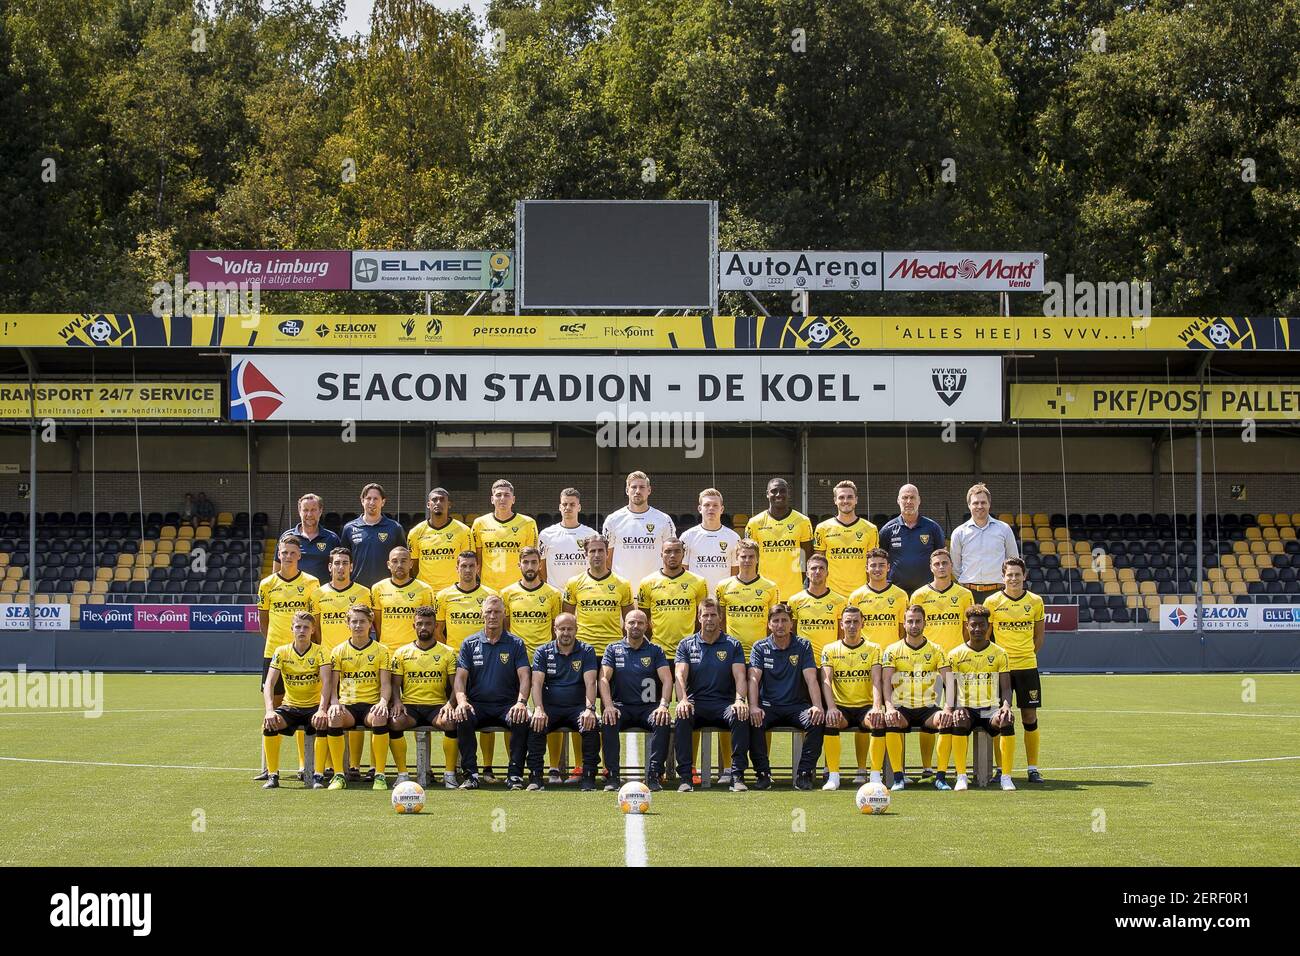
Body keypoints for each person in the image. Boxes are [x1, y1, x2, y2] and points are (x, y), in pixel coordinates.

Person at [562, 533, 632, 782]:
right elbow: (567, 620)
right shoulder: (574, 583)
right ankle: (581, 765)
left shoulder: (622, 584)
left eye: (601, 551)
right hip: (582, 654)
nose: (597, 555)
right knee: (580, 708)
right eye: (592, 551)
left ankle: (608, 766)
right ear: (585, 554)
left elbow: (630, 622)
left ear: (607, 552)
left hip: (612, 653)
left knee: (610, 709)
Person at [253, 535, 320, 782]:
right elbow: (263, 621)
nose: (288, 556)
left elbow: (315, 621)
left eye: (293, 552)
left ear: (300, 555)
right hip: (274, 653)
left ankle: (304, 765)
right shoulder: (267, 584)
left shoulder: (312, 583)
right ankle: (270, 768)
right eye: (284, 552)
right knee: (272, 709)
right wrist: (277, 642)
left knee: (302, 705)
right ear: (278, 555)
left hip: (304, 654)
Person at [500, 546, 567, 781]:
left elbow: (555, 629)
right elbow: (505, 629)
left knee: (547, 711)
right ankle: (513, 765)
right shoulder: (507, 593)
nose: (530, 567)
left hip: (545, 661)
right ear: (519, 565)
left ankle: (554, 767)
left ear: (540, 565)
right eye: (525, 562)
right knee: (514, 711)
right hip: (515, 663)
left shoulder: (552, 594)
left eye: (533, 562)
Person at [713, 537, 777, 785]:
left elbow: (774, 624)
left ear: (758, 559)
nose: (747, 560)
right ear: (736, 558)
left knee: (762, 710)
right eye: (743, 556)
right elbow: (720, 622)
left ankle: (764, 766)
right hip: (731, 658)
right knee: (732, 710)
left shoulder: (770, 587)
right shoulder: (724, 587)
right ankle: (728, 768)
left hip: (761, 657)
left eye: (751, 556)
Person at [452, 595, 531, 789]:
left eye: (497, 612)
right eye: (489, 612)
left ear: (505, 614)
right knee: (462, 716)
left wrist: (521, 702)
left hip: (507, 706)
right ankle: (470, 775)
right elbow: (460, 678)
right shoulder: (470, 643)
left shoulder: (516, 644)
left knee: (521, 717)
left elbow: (525, 677)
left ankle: (515, 775)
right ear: (482, 614)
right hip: (478, 705)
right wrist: (462, 701)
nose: (493, 616)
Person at [309, 546, 374, 780]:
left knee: (353, 706)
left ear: (351, 567)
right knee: (325, 709)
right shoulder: (318, 594)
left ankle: (354, 766)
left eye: (345, 563)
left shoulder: (364, 593)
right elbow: (315, 631)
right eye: (336, 563)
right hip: (327, 663)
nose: (340, 567)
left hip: (353, 663)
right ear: (330, 566)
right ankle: (328, 766)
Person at [673, 599, 751, 792]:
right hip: (695, 704)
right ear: (699, 618)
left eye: (713, 615)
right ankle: (686, 776)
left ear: (720, 617)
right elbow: (679, 675)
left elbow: (741, 675)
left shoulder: (732, 645)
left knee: (740, 714)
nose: (709, 619)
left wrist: (740, 700)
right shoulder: (686, 644)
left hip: (724, 705)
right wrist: (683, 699)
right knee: (682, 715)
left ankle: (737, 775)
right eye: (705, 615)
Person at [434, 550, 499, 780]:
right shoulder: (444, 596)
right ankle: (452, 767)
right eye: (464, 566)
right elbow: (439, 630)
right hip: (454, 664)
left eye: (472, 566)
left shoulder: (490, 595)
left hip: (483, 662)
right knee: (453, 713)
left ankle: (488, 767)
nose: (468, 570)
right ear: (457, 568)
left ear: (478, 568)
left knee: (484, 711)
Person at [746, 603, 826, 791]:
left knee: (816, 720)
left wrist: (817, 706)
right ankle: (763, 774)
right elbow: (753, 678)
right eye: (776, 621)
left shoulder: (803, 645)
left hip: (797, 707)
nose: (780, 625)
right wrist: (754, 706)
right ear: (769, 624)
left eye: (784, 621)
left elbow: (811, 678)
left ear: (792, 624)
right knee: (752, 720)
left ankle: (804, 774)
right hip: (768, 706)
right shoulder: (760, 647)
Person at [984, 557, 1046, 783]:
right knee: (1000, 717)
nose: (1013, 578)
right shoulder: (992, 602)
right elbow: (987, 636)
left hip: (1028, 667)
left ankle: (1032, 768)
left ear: (1024, 576)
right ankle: (1002, 769)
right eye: (1009, 575)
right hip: (1001, 670)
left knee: (1029, 716)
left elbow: (1039, 637)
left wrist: (1026, 655)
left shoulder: (1036, 601)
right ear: (1003, 578)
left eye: (1017, 574)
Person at [881, 604, 955, 791]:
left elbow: (950, 682)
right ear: (904, 624)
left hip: (928, 708)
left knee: (946, 721)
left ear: (924, 623)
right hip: (902, 708)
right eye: (910, 621)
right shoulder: (892, 650)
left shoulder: (936, 650)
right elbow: (886, 682)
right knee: (890, 721)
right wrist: (889, 708)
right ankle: (898, 778)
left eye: (918, 621)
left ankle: (940, 777)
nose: (914, 625)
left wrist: (947, 708)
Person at [524, 612, 600, 791]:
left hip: (578, 708)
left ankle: (588, 777)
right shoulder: (543, 651)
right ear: (555, 629)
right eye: (562, 629)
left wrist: (590, 708)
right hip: (550, 708)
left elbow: (591, 682)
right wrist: (539, 709)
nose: (566, 633)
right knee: (536, 724)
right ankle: (536, 777)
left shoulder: (587, 651)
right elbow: (536, 683)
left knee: (591, 724)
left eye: (570, 629)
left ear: (576, 630)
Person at [944, 605, 1017, 791]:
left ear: (988, 627)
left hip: (991, 709)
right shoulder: (955, 654)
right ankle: (962, 776)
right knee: (958, 720)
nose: (977, 629)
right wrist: (956, 707)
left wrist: (1006, 706)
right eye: (973, 625)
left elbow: (1006, 688)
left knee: (1007, 720)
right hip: (967, 708)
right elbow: (951, 687)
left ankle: (1006, 777)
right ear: (967, 626)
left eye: (981, 625)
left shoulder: (1000, 653)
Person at [599, 609, 672, 793]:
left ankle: (654, 774)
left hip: (648, 708)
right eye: (631, 622)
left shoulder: (655, 650)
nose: (635, 626)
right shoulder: (613, 649)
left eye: (640, 623)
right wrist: (608, 706)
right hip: (621, 707)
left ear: (647, 626)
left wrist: (663, 705)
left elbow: (667, 679)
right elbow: (604, 678)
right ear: (625, 625)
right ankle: (613, 775)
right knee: (609, 719)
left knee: (662, 720)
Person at [387, 606, 459, 788]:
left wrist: (451, 704)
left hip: (437, 706)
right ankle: (402, 774)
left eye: (428, 624)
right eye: (420, 624)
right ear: (414, 625)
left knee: (451, 722)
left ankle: (449, 774)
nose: (424, 627)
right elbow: (395, 684)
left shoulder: (448, 653)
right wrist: (397, 701)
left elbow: (456, 684)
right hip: (410, 707)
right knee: (394, 722)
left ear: (435, 626)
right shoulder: (401, 653)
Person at [324, 604, 392, 791]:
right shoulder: (338, 651)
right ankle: (339, 775)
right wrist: (334, 703)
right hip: (348, 705)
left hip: (371, 705)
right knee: (334, 716)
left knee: (380, 716)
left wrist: (383, 702)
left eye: (362, 621)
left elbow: (386, 684)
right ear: (347, 624)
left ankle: (379, 775)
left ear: (370, 623)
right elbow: (333, 683)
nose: (358, 625)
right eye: (354, 621)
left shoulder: (382, 650)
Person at [261, 612, 332, 789]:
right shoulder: (281, 651)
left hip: (313, 707)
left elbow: (327, 682)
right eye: (298, 627)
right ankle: (272, 775)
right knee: (268, 724)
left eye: (306, 627)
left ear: (313, 630)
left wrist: (323, 709)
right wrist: (270, 710)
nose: (302, 630)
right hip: (290, 707)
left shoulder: (321, 651)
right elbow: (269, 683)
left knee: (323, 723)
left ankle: (318, 776)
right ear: (292, 628)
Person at [819, 604, 885, 790]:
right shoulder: (830, 649)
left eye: (856, 621)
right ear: (841, 625)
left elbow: (876, 681)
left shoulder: (874, 649)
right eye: (848, 622)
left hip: (865, 707)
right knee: (830, 720)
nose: (852, 626)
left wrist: (877, 707)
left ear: (862, 623)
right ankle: (833, 776)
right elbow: (826, 681)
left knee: (878, 721)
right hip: (841, 707)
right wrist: (831, 708)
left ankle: (874, 776)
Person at [637, 537, 708, 665]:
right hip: (658, 651)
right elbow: (644, 619)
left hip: (689, 650)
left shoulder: (698, 582)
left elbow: (701, 619)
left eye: (677, 551)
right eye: (668, 551)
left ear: (683, 554)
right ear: (661, 554)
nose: (672, 555)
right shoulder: (647, 582)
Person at [602, 471, 677, 591]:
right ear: (627, 490)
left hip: (656, 588)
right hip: (622, 589)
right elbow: (607, 558)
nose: (637, 491)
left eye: (642, 487)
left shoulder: (664, 519)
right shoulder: (613, 520)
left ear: (649, 490)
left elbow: (672, 556)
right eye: (633, 487)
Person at [949, 483, 1019, 604]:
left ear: (989, 504)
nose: (979, 506)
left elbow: (1013, 559)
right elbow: (955, 566)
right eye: (975, 503)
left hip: (998, 592)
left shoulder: (1004, 529)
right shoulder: (959, 532)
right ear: (969, 505)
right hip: (968, 592)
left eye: (983, 502)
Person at [744, 478, 814, 601]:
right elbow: (749, 556)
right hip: (764, 590)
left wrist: (800, 579)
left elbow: (807, 556)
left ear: (788, 493)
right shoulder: (754, 523)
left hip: (793, 591)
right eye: (774, 491)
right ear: (767, 494)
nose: (778, 495)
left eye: (782, 491)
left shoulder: (802, 521)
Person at [813, 479, 879, 598]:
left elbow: (872, 564)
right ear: (835, 500)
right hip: (831, 593)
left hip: (861, 593)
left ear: (856, 500)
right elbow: (819, 563)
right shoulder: (822, 528)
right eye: (841, 497)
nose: (845, 501)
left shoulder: (870, 529)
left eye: (849, 497)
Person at [472, 479, 538, 592]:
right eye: (498, 495)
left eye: (507, 495)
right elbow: (478, 559)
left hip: (518, 588)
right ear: (492, 499)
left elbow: (532, 559)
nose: (502, 498)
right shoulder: (479, 523)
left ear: (513, 499)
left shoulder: (528, 523)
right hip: (488, 589)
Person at [879, 483, 945, 596]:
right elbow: (880, 560)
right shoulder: (887, 530)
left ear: (919, 500)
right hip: (895, 592)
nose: (909, 501)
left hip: (927, 591)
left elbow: (943, 557)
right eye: (905, 497)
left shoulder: (933, 527)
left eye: (912, 497)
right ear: (898, 500)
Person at [406, 488, 474, 595]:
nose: (438, 502)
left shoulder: (464, 531)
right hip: (426, 591)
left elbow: (468, 562)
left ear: (449, 504)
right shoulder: (415, 532)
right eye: (434, 500)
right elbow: (413, 566)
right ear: (428, 504)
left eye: (442, 500)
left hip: (454, 591)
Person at [371, 546, 436, 652]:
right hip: (387, 650)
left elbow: (429, 623)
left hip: (415, 650)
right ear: (388, 565)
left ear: (411, 564)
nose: (399, 565)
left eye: (403, 561)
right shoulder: (377, 588)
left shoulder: (425, 589)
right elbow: (377, 623)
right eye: (395, 561)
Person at [342, 483, 407, 588]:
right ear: (362, 501)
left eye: (376, 499)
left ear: (383, 502)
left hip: (387, 589)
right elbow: (344, 561)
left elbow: (404, 560)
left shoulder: (395, 528)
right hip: (358, 588)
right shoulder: (349, 528)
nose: (372, 502)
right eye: (368, 498)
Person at [788, 552, 848, 663]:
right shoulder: (794, 600)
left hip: (830, 660)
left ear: (827, 573)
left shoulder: (840, 601)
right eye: (813, 568)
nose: (817, 571)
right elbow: (792, 633)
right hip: (804, 660)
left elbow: (841, 634)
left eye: (821, 568)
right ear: (807, 573)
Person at [680, 488, 740, 598]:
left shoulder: (733, 537)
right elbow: (684, 570)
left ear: (721, 509)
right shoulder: (687, 536)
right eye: (707, 505)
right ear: (700, 508)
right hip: (697, 598)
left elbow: (735, 571)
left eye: (715, 505)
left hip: (723, 599)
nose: (711, 508)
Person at [848, 548, 909, 650]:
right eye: (873, 565)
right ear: (866, 568)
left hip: (892, 655)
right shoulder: (856, 596)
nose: (877, 569)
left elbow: (903, 630)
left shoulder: (901, 595)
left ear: (888, 567)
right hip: (865, 654)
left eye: (881, 565)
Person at [538, 488, 597, 588]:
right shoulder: (546, 535)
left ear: (579, 507)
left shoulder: (591, 535)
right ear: (560, 507)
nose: (568, 507)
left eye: (572, 504)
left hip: (583, 594)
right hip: (556, 595)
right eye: (565, 504)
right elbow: (541, 566)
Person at [280, 493, 341, 582]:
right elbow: (277, 569)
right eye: (305, 510)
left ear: (320, 511)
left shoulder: (332, 538)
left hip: (323, 594)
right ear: (299, 511)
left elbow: (340, 567)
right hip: (294, 594)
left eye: (313, 510)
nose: (309, 514)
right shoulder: (287, 537)